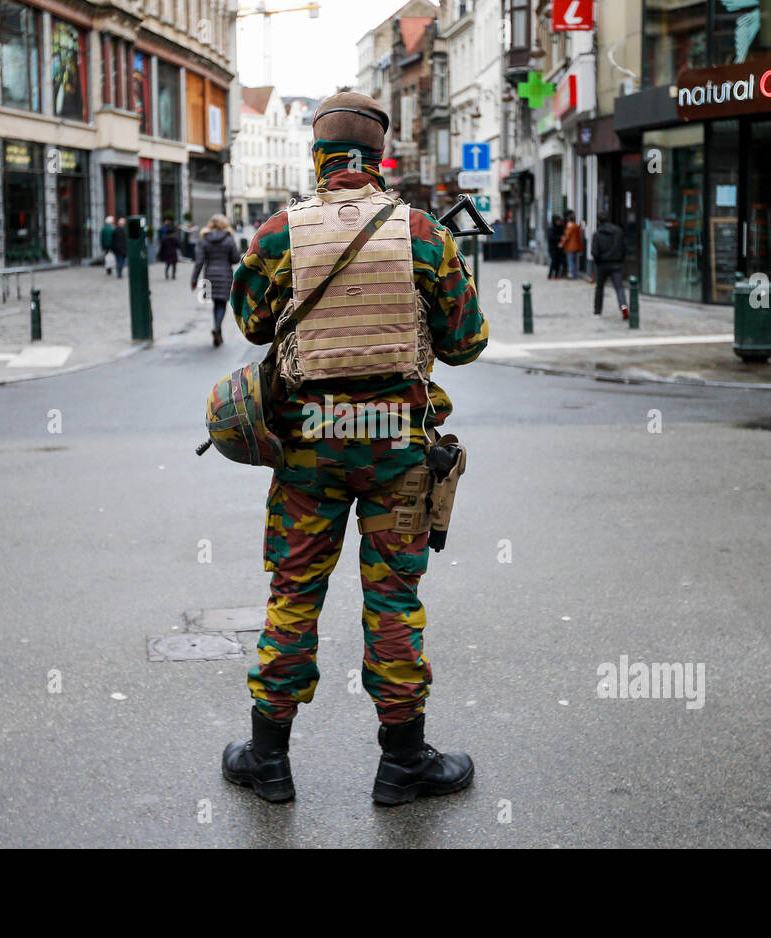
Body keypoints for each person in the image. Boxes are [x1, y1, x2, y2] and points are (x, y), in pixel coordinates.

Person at [222, 91, 488, 805]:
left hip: (310, 447)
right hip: (397, 449)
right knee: (393, 603)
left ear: (318, 158)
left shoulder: (279, 232)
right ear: (380, 160)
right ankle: (403, 763)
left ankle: (267, 758)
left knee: (293, 597)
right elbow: (467, 344)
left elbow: (249, 324)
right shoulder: (424, 234)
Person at [190, 214, 237, 346]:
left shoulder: (204, 239)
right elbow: (235, 258)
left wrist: (194, 280)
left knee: (216, 303)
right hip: (225, 275)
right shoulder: (228, 239)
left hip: (210, 275)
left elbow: (199, 261)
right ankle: (217, 329)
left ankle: (218, 332)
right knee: (221, 304)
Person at [591, 211, 629, 319]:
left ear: (598, 221)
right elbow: (624, 247)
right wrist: (620, 259)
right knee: (619, 288)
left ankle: (597, 310)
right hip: (616, 264)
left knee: (599, 288)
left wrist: (598, 261)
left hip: (602, 265)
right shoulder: (618, 231)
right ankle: (623, 308)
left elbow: (594, 252)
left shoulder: (597, 234)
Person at [561, 214, 584, 280]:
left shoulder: (569, 226)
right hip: (576, 246)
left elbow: (566, 236)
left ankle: (573, 275)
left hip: (570, 247)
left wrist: (562, 244)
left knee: (570, 261)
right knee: (574, 261)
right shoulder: (575, 226)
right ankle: (575, 275)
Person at [546, 215, 565, 279]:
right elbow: (551, 237)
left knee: (558, 262)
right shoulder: (552, 228)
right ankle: (550, 274)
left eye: (559, 221)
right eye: (557, 221)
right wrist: (560, 238)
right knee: (553, 262)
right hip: (553, 248)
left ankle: (557, 275)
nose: (559, 222)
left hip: (560, 248)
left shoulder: (561, 228)